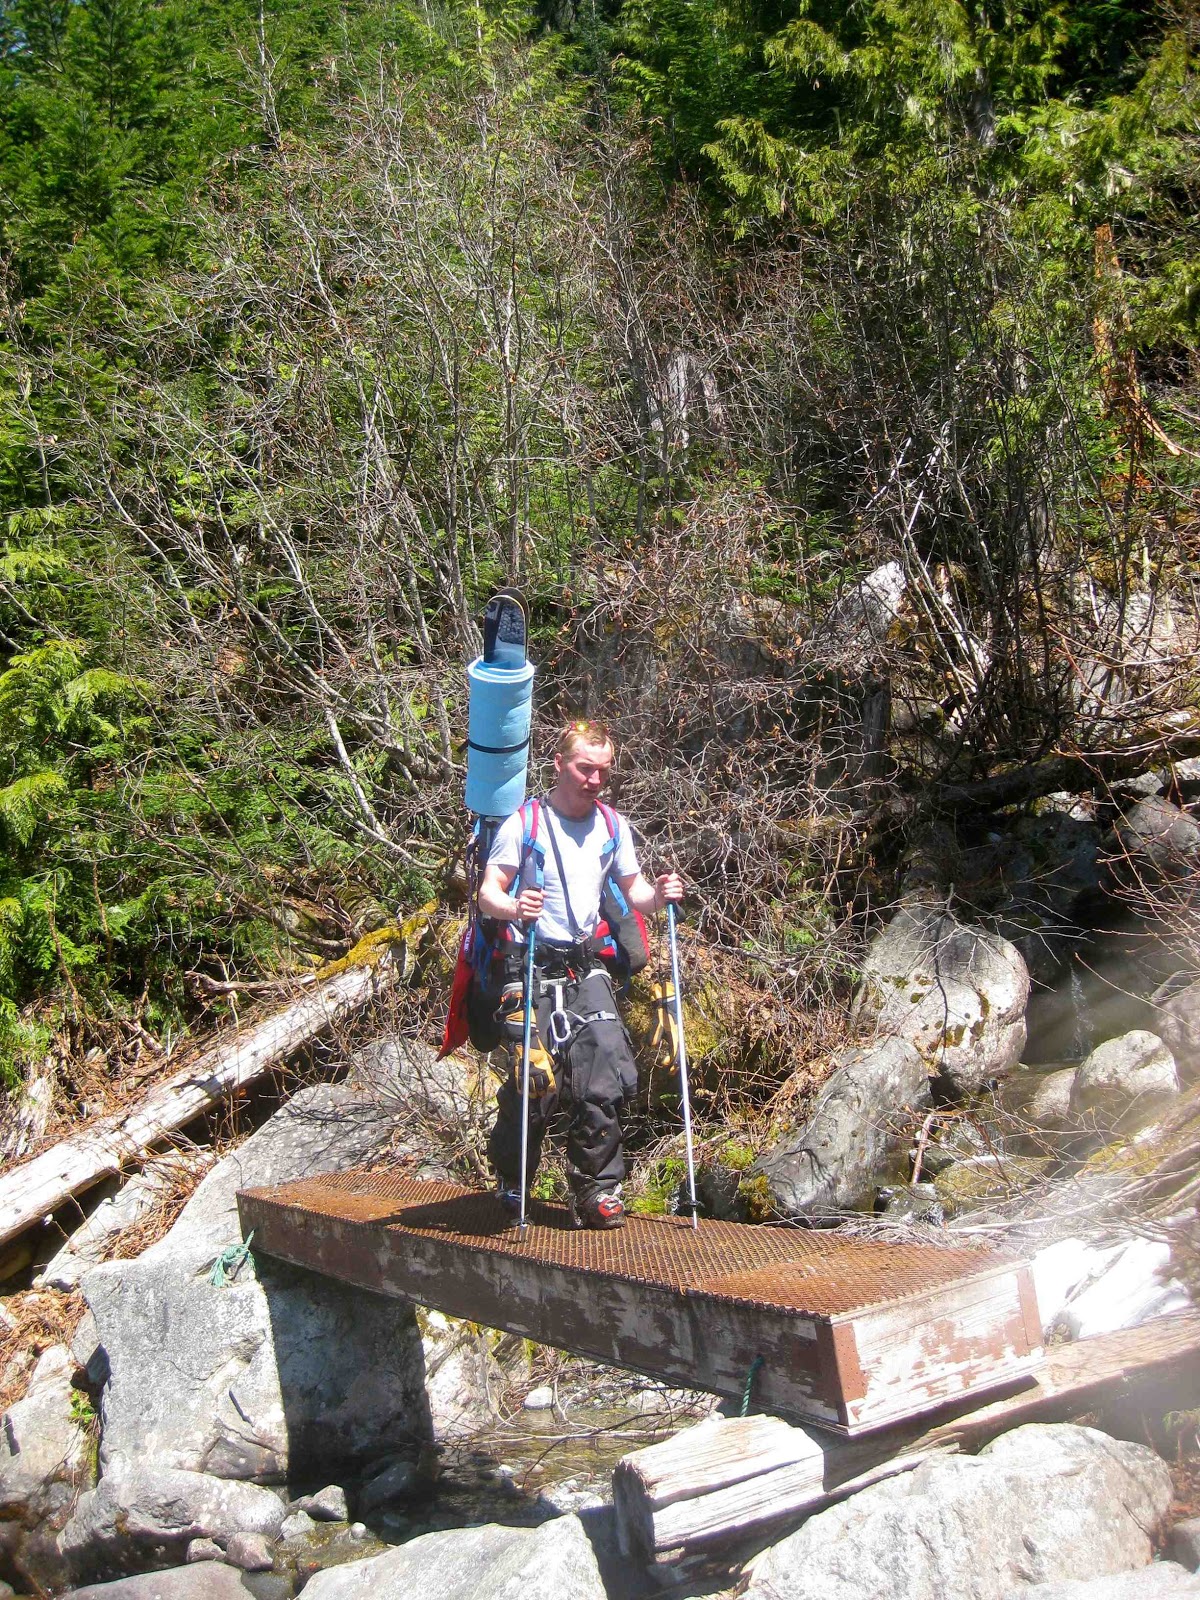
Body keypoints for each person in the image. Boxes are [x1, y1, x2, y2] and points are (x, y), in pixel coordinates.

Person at [477, 719, 684, 1229]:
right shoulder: (524, 824)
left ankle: (597, 1190)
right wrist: (514, 907)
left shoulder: (612, 826)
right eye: (584, 768)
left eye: (603, 771)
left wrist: (659, 895)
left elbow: (635, 893)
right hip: (528, 964)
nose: (594, 780)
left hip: (584, 965)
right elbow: (488, 893)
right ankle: (513, 1178)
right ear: (559, 764)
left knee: (605, 1071)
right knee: (536, 1081)